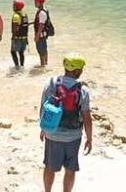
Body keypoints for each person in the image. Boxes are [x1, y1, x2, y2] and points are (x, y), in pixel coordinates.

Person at [40, 54, 93, 192]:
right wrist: (89, 138)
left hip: (52, 133)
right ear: (76, 71)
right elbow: (86, 117)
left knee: (49, 166)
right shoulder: (83, 91)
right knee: (70, 169)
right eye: (80, 69)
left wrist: (43, 128)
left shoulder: (51, 83)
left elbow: (43, 107)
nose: (81, 72)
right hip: (73, 137)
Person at [11, 0, 30, 69]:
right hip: (24, 38)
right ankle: (22, 66)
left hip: (17, 38)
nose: (12, 7)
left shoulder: (16, 16)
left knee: (13, 52)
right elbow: (25, 26)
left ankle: (17, 66)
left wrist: (13, 38)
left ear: (16, 7)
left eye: (14, 5)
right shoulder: (24, 15)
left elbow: (15, 28)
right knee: (21, 52)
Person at [34, 0, 51, 67]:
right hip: (43, 34)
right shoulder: (44, 10)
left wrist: (37, 36)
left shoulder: (42, 13)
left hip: (41, 35)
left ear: (40, 2)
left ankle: (42, 65)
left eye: (36, 1)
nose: (34, 3)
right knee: (44, 50)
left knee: (41, 52)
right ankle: (45, 63)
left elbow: (41, 25)